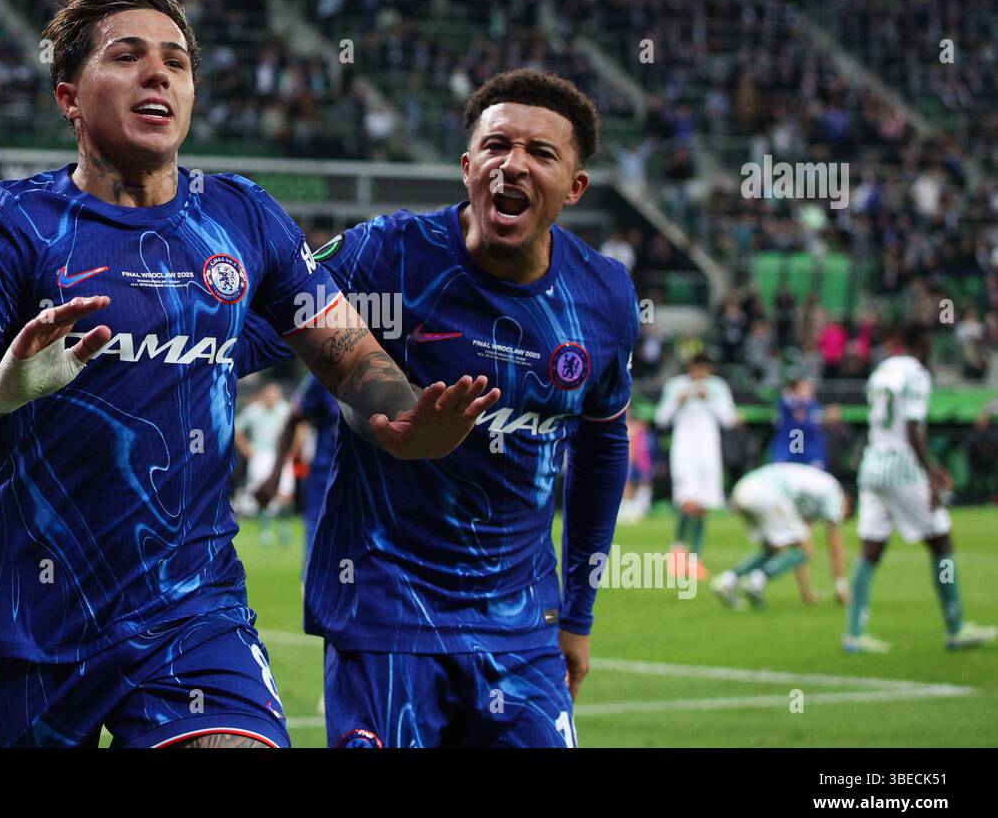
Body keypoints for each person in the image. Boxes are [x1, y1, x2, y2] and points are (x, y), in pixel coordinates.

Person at [0, 0, 497, 749]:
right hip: (24, 624)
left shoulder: (242, 217)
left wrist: (407, 420)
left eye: (176, 61)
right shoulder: (14, 222)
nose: (158, 74)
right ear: (70, 97)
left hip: (190, 615)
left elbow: (354, 360)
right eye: (128, 56)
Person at [235, 68, 639, 747]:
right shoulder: (386, 255)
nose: (513, 164)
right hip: (386, 611)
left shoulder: (604, 296)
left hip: (521, 626)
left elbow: (601, 450)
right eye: (496, 146)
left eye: (540, 153)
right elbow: (249, 334)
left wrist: (579, 614)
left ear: (574, 187)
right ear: (467, 166)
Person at [843, 322, 995, 653]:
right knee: (941, 539)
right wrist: (930, 473)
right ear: (924, 343)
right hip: (901, 467)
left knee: (871, 549)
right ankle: (955, 627)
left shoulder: (882, 371)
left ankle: (854, 633)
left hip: (873, 464)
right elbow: (912, 427)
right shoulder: (917, 375)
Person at [712, 462, 848, 609]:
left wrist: (806, 591)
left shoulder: (812, 486)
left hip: (742, 490)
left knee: (772, 550)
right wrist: (841, 586)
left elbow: (800, 535)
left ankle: (727, 580)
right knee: (805, 551)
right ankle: (757, 580)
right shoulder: (833, 491)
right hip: (767, 494)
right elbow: (834, 542)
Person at [653, 353, 738, 581]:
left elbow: (729, 419)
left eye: (703, 369)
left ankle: (694, 559)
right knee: (687, 502)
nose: (699, 374)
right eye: (695, 369)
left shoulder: (718, 387)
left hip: (708, 449)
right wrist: (676, 401)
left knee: (703, 505)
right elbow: (661, 419)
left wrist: (709, 399)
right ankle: (678, 550)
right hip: (684, 449)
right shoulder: (676, 386)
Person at [253, 373, 339, 570]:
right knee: (318, 562)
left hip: (375, 484)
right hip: (326, 481)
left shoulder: (398, 363)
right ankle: (270, 532)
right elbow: (294, 420)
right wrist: (274, 477)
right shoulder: (325, 369)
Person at [234, 382, 294, 545]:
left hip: (280, 455)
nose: (271, 399)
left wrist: (293, 448)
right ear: (263, 395)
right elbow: (237, 429)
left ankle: (283, 527)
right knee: (262, 493)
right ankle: (265, 531)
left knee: (285, 494)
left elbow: (299, 428)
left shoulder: (285, 410)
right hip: (260, 455)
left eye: (275, 395)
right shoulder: (253, 411)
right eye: (269, 395)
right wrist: (247, 450)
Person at [769, 377, 826, 467]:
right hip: (786, 447)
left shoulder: (815, 407)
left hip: (809, 450)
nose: (804, 393)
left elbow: (814, 427)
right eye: (802, 389)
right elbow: (778, 421)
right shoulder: (786, 404)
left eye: (808, 389)